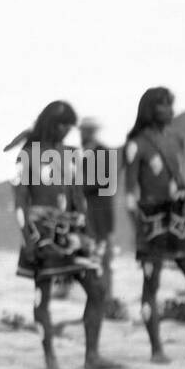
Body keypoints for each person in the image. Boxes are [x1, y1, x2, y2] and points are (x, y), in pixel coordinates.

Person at [5, 100, 121, 369]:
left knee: (97, 290)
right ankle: (50, 360)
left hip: (72, 234)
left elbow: (78, 196)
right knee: (42, 295)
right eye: (62, 125)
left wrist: (86, 231)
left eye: (69, 126)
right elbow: (20, 201)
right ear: (50, 123)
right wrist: (28, 238)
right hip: (41, 234)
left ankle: (92, 356)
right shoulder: (29, 154)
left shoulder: (70, 154)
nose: (66, 131)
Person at [124, 86, 185, 362]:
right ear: (150, 110)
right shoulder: (136, 145)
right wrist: (138, 230)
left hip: (178, 221)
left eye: (170, 104)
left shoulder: (176, 140)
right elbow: (130, 194)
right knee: (151, 285)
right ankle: (156, 350)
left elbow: (177, 181)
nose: (170, 110)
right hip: (152, 223)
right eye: (163, 105)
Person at [78, 119, 121, 316]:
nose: (82, 134)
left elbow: (105, 183)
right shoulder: (85, 154)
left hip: (101, 216)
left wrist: (79, 186)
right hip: (89, 217)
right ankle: (98, 300)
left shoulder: (102, 152)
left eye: (85, 131)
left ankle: (106, 300)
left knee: (104, 260)